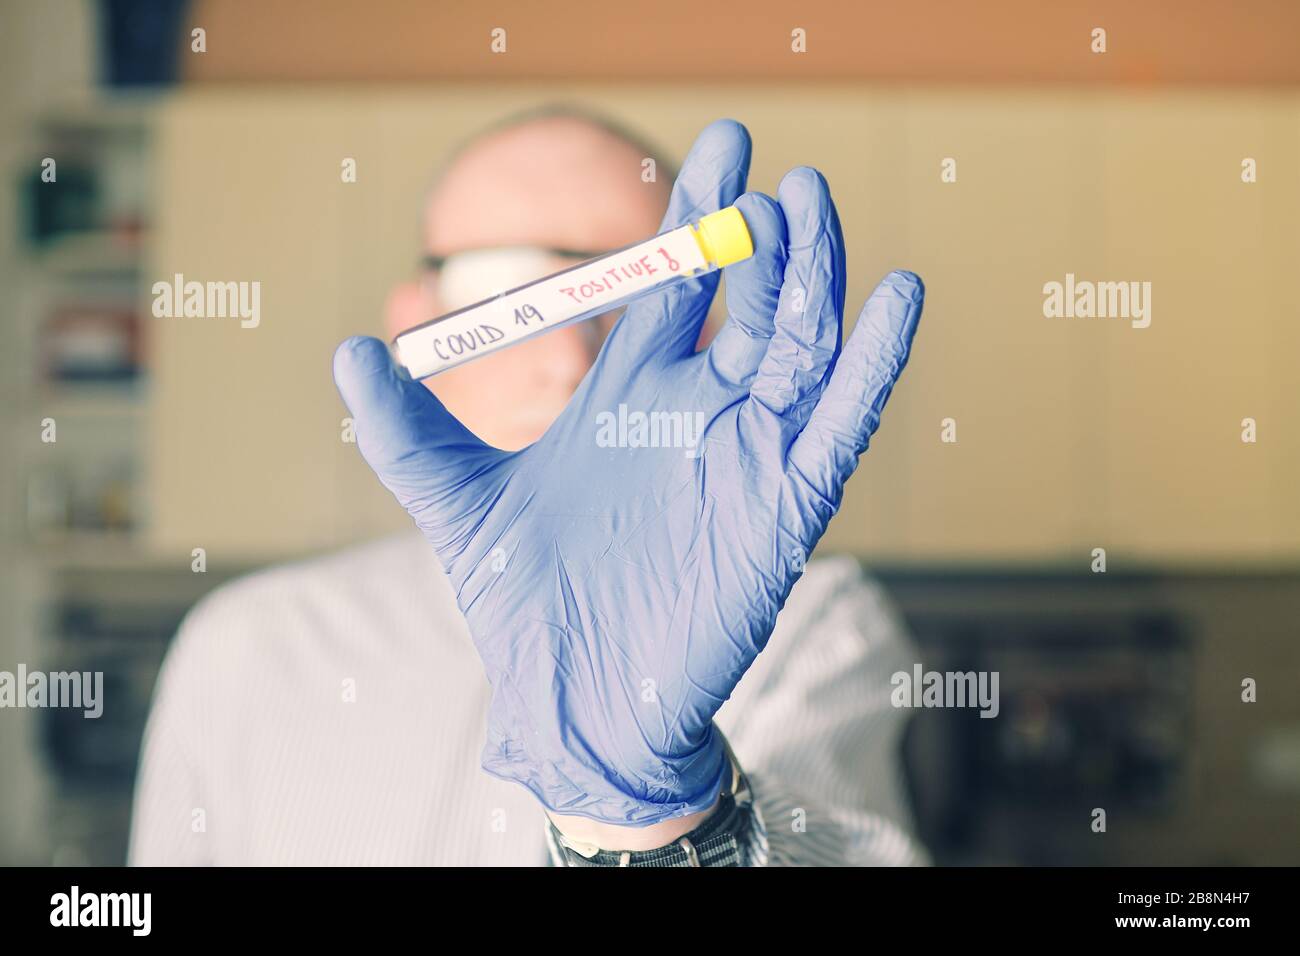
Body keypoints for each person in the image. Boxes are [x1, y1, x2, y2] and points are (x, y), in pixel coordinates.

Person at [129, 108, 927, 866]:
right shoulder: (244, 649)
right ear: (416, 318)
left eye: (629, 296)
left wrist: (656, 822)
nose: (571, 361)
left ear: (706, 331)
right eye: (515, 291)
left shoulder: (809, 626)